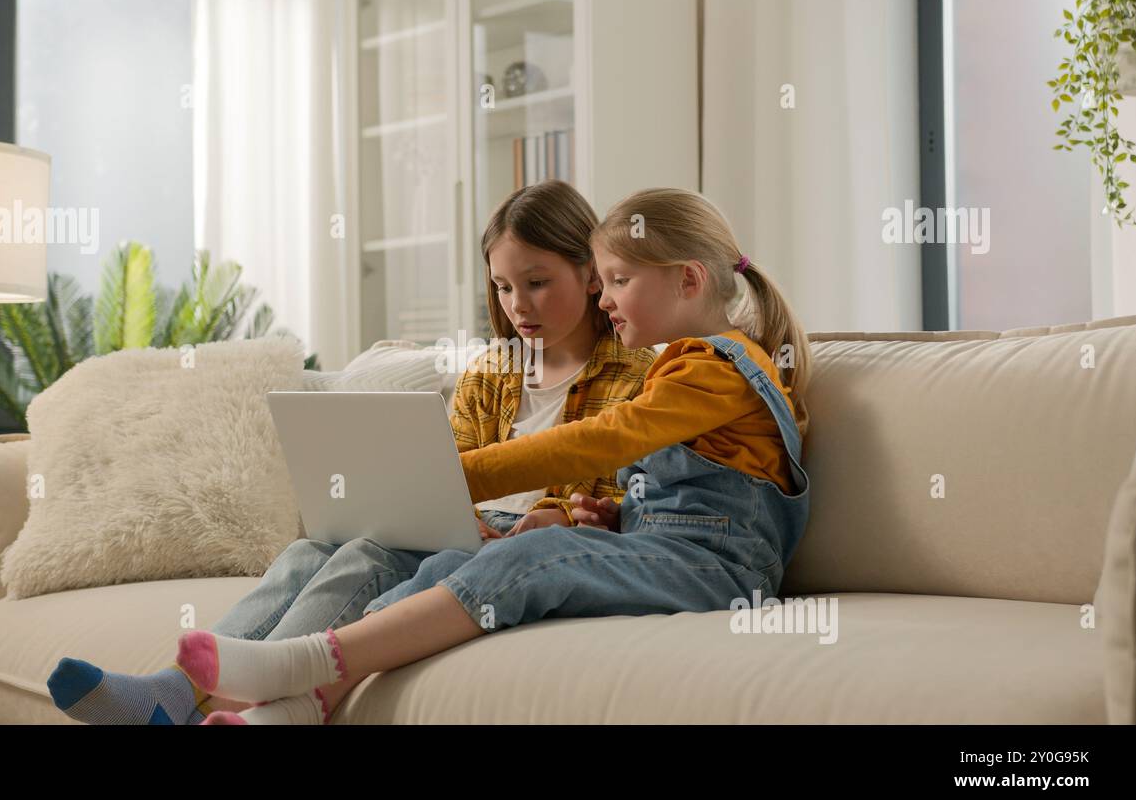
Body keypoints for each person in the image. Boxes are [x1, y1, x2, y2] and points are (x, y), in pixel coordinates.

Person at [178, 187, 814, 725]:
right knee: (443, 560)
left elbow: (605, 439)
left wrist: (457, 478)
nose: (605, 297)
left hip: (723, 571)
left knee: (528, 555)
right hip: (674, 550)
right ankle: (297, 704)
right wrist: (608, 516)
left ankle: (306, 661)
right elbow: (665, 487)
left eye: (618, 280)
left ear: (688, 280)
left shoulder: (721, 367)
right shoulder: (683, 367)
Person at [46, 180, 657, 725]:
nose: (517, 305)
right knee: (310, 548)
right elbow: (448, 475)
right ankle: (176, 688)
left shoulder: (636, 376)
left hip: (525, 555)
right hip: (464, 528)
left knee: (365, 555)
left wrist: (567, 517)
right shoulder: (490, 373)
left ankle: (220, 700)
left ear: (590, 273)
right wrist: (431, 506)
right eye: (502, 287)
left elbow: (632, 506)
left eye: (537, 283)